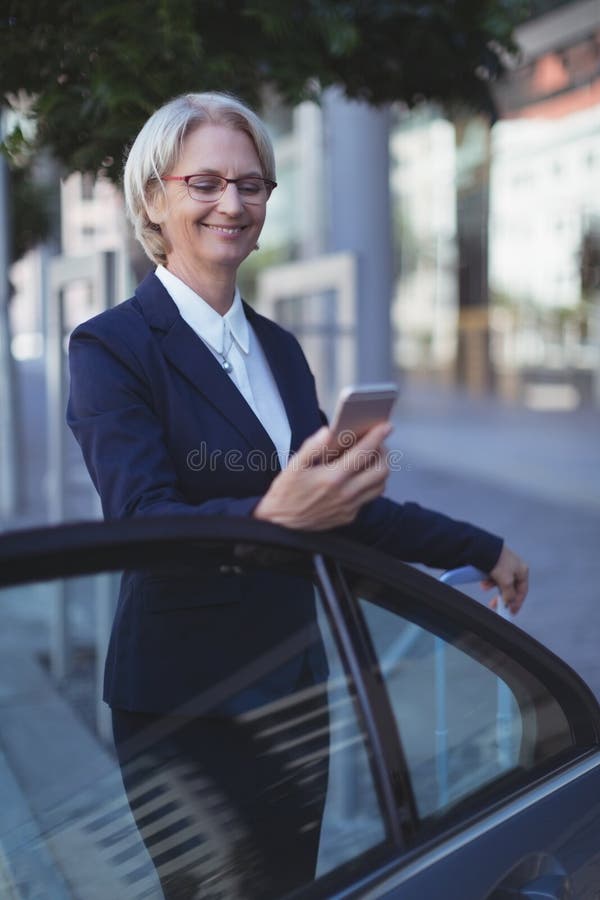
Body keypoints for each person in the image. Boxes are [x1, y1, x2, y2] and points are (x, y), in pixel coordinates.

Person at [67, 91, 528, 898]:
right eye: (205, 183)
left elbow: (342, 510)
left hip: (294, 689)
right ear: (154, 198)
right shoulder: (111, 346)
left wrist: (477, 546)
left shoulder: (279, 349)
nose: (232, 203)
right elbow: (141, 520)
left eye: (251, 185)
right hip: (186, 704)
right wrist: (274, 514)